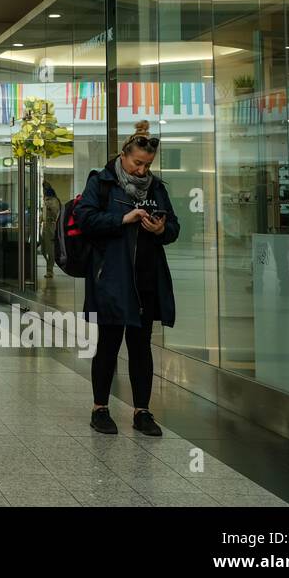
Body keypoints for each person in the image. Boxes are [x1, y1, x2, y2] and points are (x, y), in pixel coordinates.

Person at [74, 120, 179, 437]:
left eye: (147, 165)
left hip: (146, 276)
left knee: (141, 345)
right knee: (108, 343)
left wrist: (162, 229)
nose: (141, 170)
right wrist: (124, 218)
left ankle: (142, 411)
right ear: (123, 155)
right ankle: (100, 408)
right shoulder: (102, 182)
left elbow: (173, 226)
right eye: (137, 163)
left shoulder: (157, 188)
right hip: (112, 276)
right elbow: (85, 218)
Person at [41, 180, 62, 280]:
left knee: (50, 250)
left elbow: (57, 213)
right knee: (43, 249)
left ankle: (49, 271)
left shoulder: (54, 200)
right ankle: (49, 267)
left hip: (51, 226)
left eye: (44, 188)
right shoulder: (45, 200)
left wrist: (50, 206)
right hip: (44, 226)